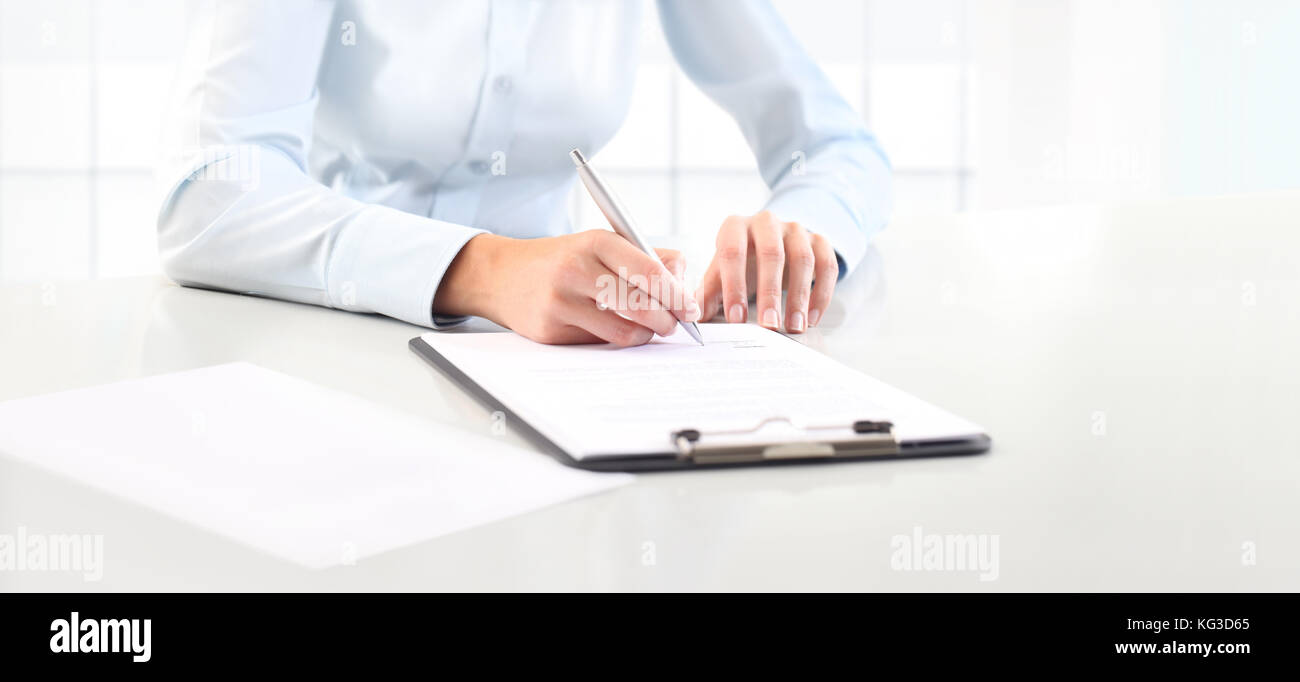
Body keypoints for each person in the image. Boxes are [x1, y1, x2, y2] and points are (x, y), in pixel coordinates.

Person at [157, 0, 891, 346]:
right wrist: (485, 271)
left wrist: (801, 239)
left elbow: (836, 147)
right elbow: (212, 195)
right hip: (322, 332)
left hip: (561, 359)